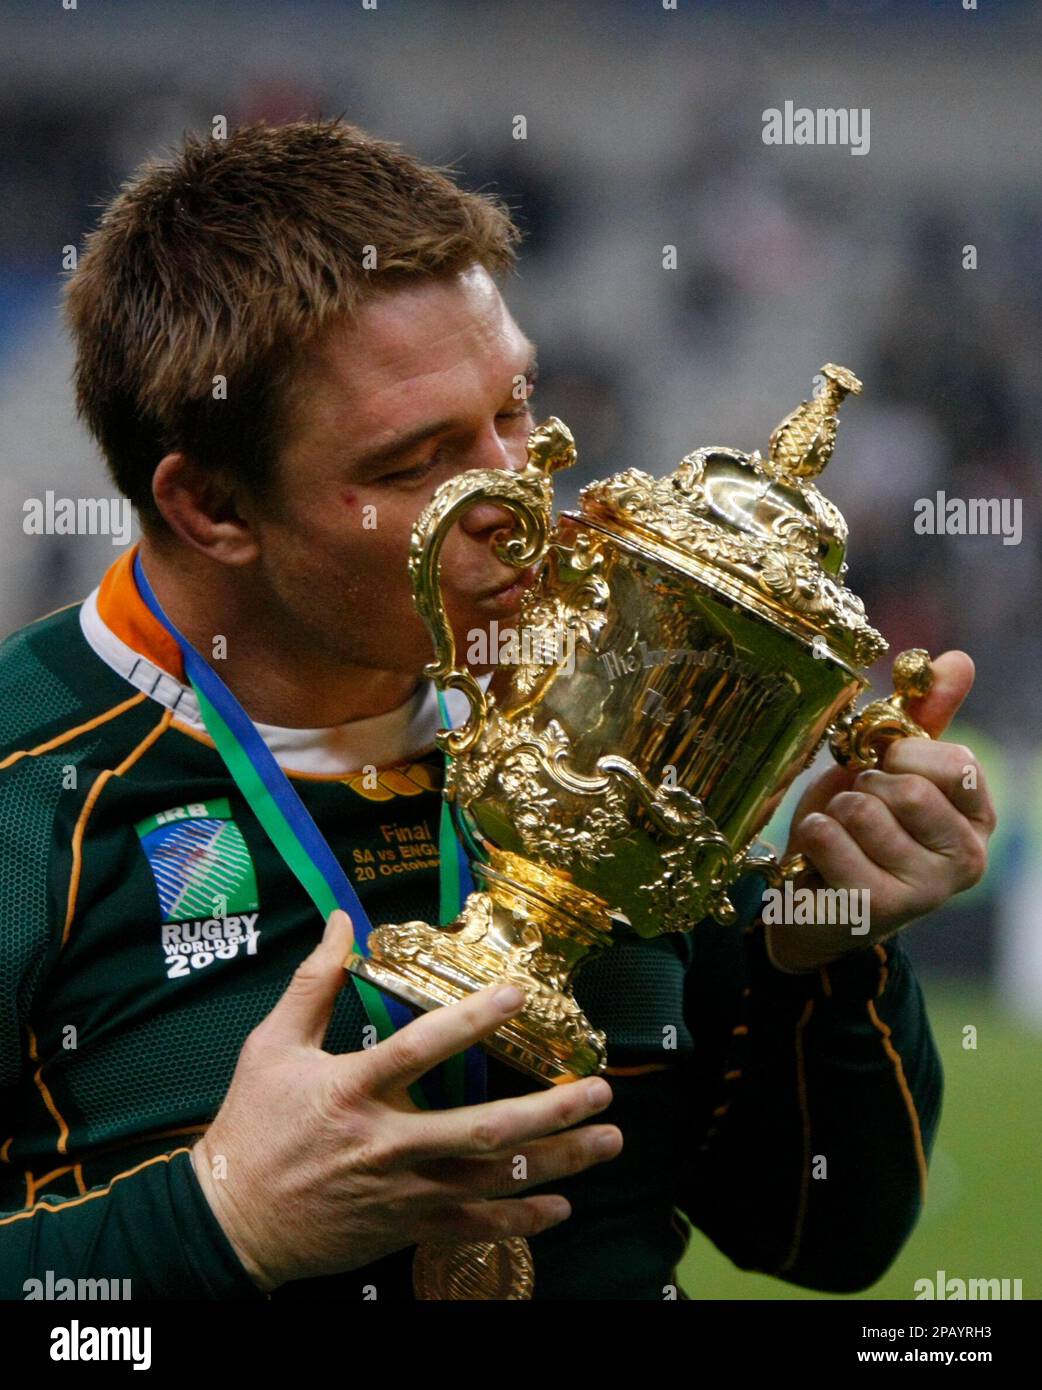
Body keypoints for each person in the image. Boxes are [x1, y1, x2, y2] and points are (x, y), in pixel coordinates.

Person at [0, 120, 994, 1301]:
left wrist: (821, 952)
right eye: (418, 461)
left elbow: (825, 1238)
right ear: (213, 505)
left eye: (516, 412)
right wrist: (221, 1220)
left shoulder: (625, 718)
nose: (518, 495)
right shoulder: (32, 789)